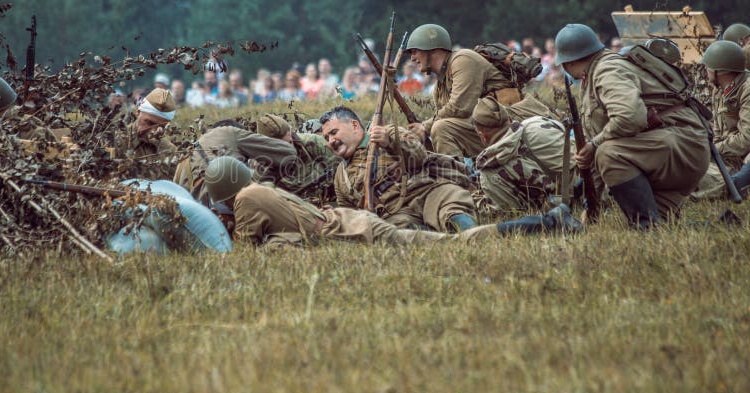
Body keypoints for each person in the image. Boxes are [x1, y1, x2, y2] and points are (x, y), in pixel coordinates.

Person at [204, 156, 582, 248]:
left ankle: (549, 223)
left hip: (351, 231)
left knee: (455, 244)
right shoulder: (260, 189)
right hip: (351, 222)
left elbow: (245, 252)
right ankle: (549, 221)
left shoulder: (248, 200)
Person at [554, 23, 710, 229]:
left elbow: (630, 118)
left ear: (570, 61)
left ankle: (644, 226)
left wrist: (594, 145)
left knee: (609, 153)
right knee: (664, 226)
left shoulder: (607, 70)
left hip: (680, 146)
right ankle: (651, 225)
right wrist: (593, 203)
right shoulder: (597, 73)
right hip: (673, 149)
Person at [320, 105, 477, 232]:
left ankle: (476, 234)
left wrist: (390, 142)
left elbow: (419, 154)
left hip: (428, 191)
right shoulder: (340, 176)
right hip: (395, 214)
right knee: (393, 232)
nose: (331, 141)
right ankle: (434, 237)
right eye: (326, 138)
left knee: (452, 208)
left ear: (354, 125)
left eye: (334, 133)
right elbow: (350, 211)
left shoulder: (388, 132)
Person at [404, 24, 519, 158]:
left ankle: (454, 177)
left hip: (512, 125)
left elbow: (460, 108)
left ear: (432, 50)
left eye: (415, 51)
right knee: (439, 128)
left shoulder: (463, 60)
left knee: (441, 128)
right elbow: (448, 116)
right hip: (489, 130)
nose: (412, 58)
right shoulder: (439, 87)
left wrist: (425, 127)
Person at [470, 96, 572, 218]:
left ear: (483, 136)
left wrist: (473, 194)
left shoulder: (491, 169)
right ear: (510, 118)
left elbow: (505, 216)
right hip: (587, 186)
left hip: (562, 205)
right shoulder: (536, 122)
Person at [173, 119, 297, 205]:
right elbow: (288, 152)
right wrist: (265, 180)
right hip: (228, 209)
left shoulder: (183, 159)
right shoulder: (229, 132)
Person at [692, 40, 750, 198]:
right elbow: (717, 130)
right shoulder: (719, 91)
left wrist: (715, 150)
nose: (706, 70)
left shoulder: (747, 89)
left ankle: (736, 185)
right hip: (727, 157)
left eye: (708, 67)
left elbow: (746, 139)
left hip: (743, 159)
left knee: (696, 179)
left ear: (720, 71)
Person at [255, 113, 339, 203]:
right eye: (281, 147)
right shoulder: (261, 171)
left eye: (290, 142)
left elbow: (340, 171)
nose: (289, 149)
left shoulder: (313, 143)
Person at [113, 87, 178, 179]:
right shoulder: (116, 141)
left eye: (161, 127)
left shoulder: (169, 151)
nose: (154, 131)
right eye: (149, 123)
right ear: (138, 112)